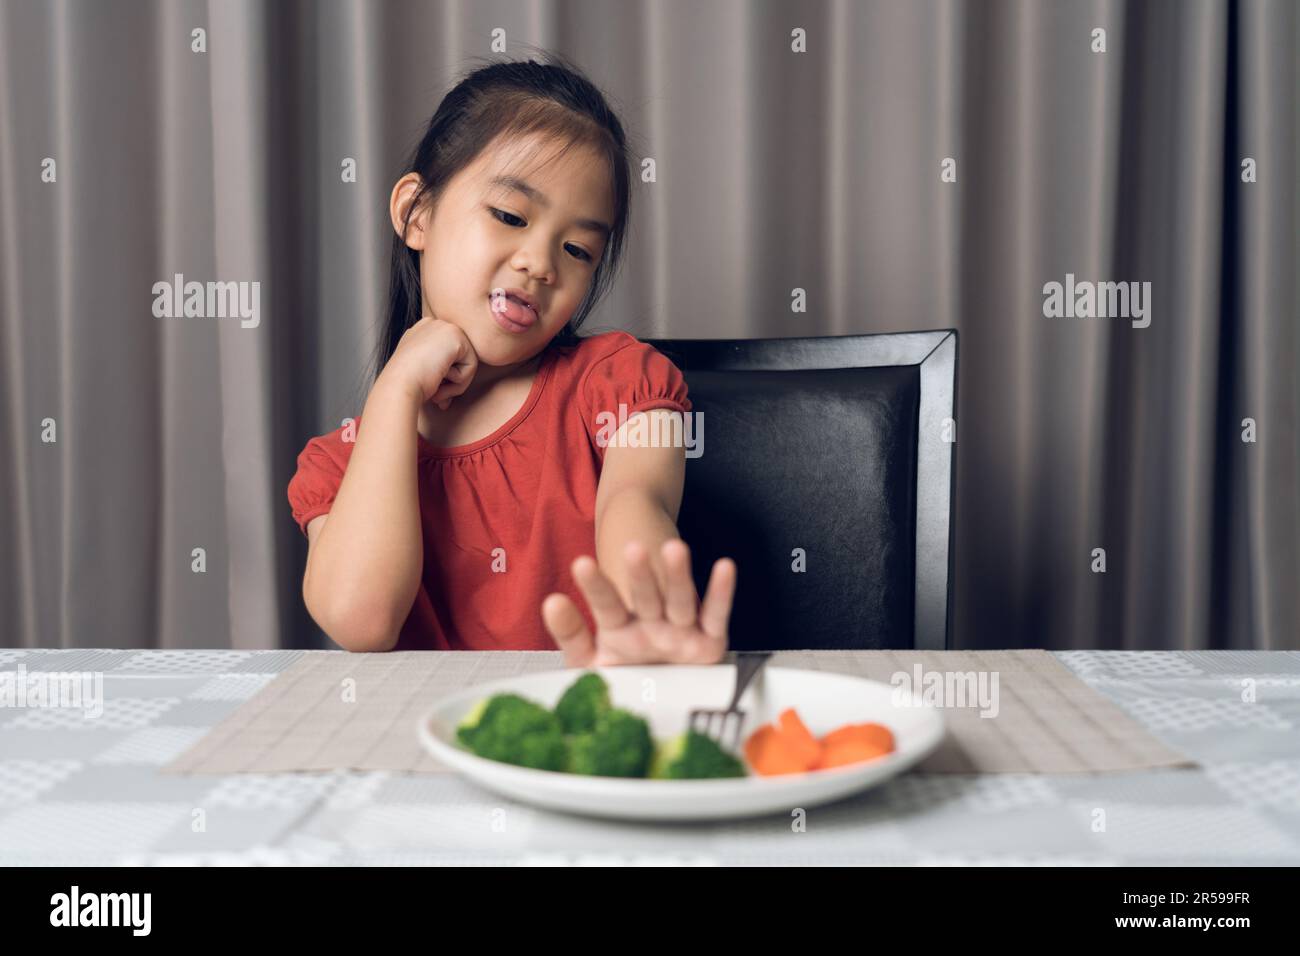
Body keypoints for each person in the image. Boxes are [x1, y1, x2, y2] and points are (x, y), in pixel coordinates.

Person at [287, 55, 736, 666]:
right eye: (509, 216)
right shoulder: (337, 462)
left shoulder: (621, 384)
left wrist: (648, 605)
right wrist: (395, 392)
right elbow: (361, 620)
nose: (540, 263)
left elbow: (638, 503)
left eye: (577, 249)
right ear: (416, 213)